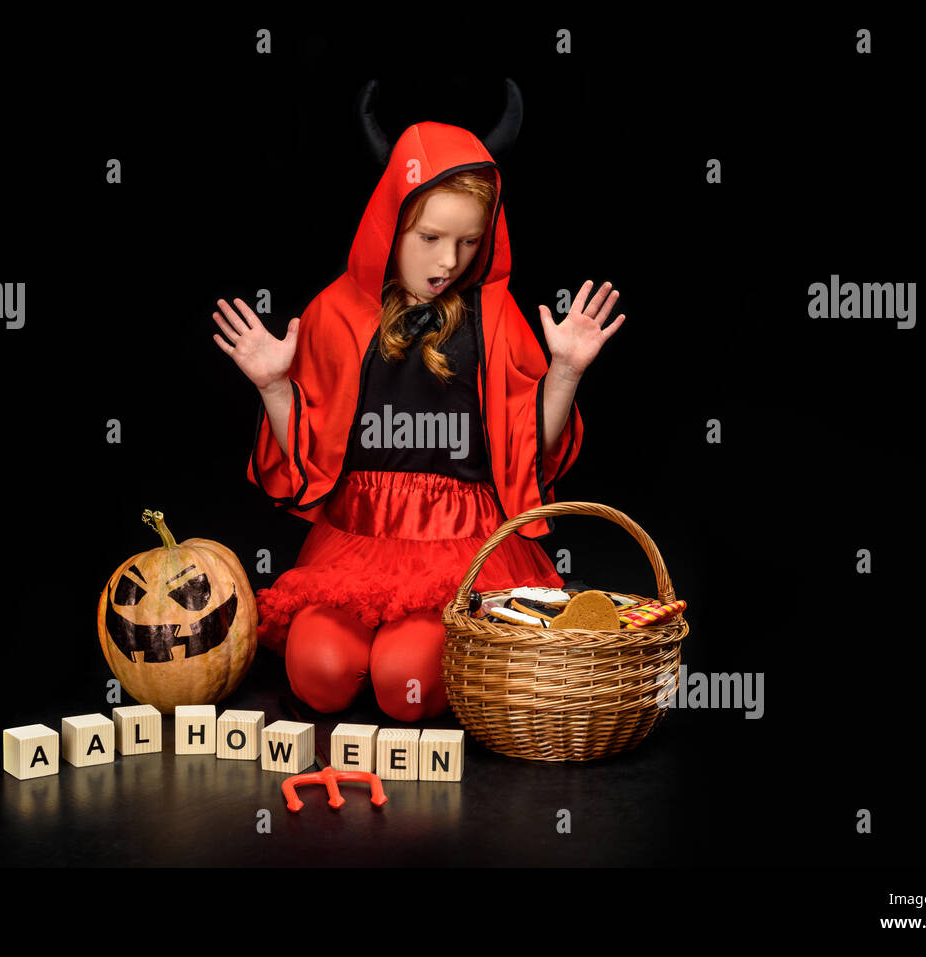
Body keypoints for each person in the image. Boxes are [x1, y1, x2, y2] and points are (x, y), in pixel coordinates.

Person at [211, 121, 623, 721]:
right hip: (357, 541)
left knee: (406, 684)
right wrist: (275, 385)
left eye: (467, 242)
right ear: (390, 224)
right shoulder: (335, 311)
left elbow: (529, 453)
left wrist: (564, 373)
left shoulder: (494, 315)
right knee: (319, 674)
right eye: (430, 237)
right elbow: (305, 458)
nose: (448, 261)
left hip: (460, 544)